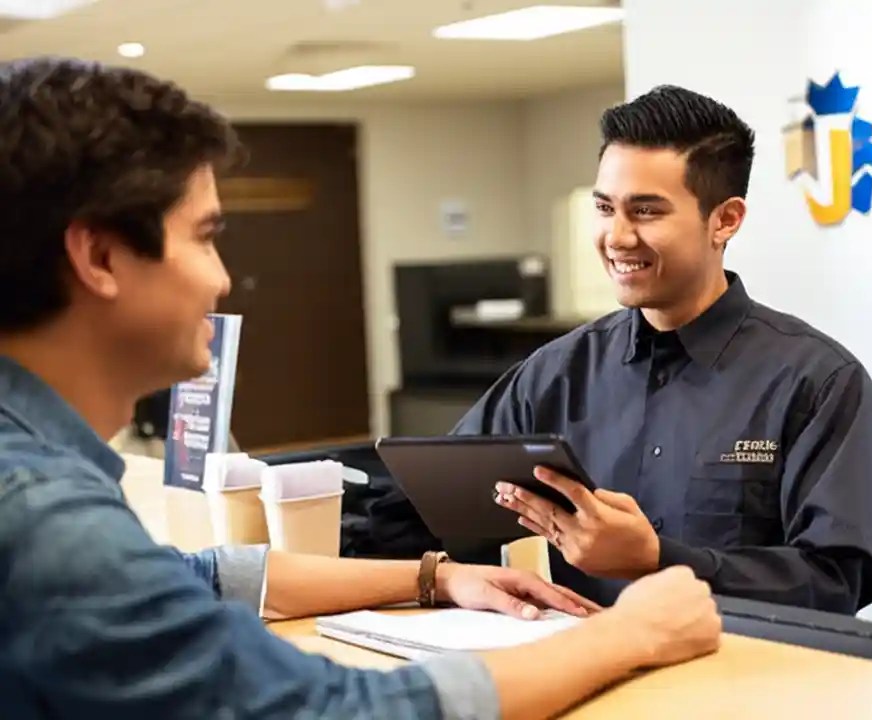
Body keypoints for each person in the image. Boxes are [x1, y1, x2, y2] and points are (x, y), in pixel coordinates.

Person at [0, 57, 721, 719]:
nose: (221, 278)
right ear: (99, 256)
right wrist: (629, 634)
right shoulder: (46, 523)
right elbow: (345, 712)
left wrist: (434, 578)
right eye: (204, 236)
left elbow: (199, 575)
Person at [375, 85, 872, 615]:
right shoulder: (555, 375)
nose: (616, 237)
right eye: (604, 207)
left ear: (726, 220)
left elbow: (834, 583)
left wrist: (658, 558)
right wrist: (444, 576)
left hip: (748, 684)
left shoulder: (816, 381)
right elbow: (418, 514)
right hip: (587, 677)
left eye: (645, 211)